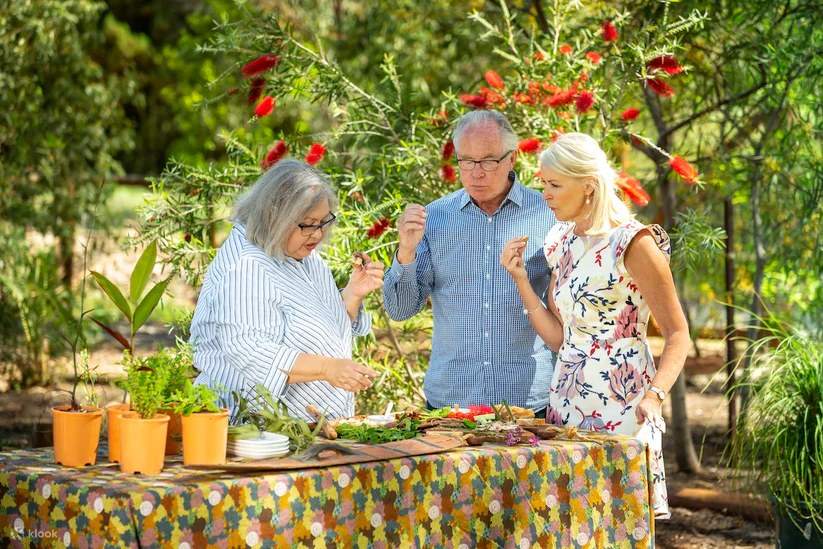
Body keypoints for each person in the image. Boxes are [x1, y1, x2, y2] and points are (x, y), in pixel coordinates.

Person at [500, 132, 689, 518]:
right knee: (569, 525)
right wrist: (520, 279)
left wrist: (654, 396)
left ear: (588, 186)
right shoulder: (561, 242)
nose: (546, 194)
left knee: (618, 523)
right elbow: (560, 340)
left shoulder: (633, 243)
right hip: (565, 405)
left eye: (555, 185)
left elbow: (678, 334)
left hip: (623, 406)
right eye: (543, 184)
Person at [383, 110, 558, 414]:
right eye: (467, 161)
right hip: (450, 403)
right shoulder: (434, 218)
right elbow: (400, 310)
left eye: (489, 161)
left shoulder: (548, 214)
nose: (477, 173)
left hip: (528, 403)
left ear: (512, 159)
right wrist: (406, 253)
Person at [189, 159, 384, 423]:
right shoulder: (247, 266)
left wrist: (352, 295)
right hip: (256, 435)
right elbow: (252, 351)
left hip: (313, 431)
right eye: (308, 224)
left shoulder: (303, 255)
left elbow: (315, 330)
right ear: (274, 215)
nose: (317, 234)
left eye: (324, 222)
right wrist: (328, 369)